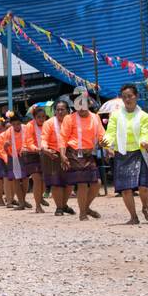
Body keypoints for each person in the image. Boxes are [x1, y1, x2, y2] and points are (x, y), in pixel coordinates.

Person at [104, 83, 148, 225]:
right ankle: (133, 217)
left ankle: (145, 207)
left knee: (144, 186)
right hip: (122, 153)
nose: (127, 99)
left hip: (140, 152)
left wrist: (145, 141)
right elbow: (110, 132)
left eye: (130, 96)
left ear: (136, 96)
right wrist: (107, 145)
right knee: (125, 189)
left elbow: (146, 132)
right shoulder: (115, 115)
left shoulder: (144, 116)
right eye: (124, 97)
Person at [60, 90, 107, 220]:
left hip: (89, 153)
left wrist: (106, 146)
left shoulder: (95, 117)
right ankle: (83, 213)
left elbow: (102, 134)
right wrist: (63, 155)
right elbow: (63, 138)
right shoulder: (69, 118)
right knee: (82, 183)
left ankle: (85, 207)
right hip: (74, 153)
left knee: (96, 183)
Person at [44, 99, 73, 215]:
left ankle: (64, 204)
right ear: (54, 111)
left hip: (70, 154)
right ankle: (59, 208)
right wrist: (44, 148)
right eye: (57, 109)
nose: (60, 112)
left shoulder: (72, 122)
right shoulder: (49, 123)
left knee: (69, 182)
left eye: (63, 109)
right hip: (53, 155)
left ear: (67, 110)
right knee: (56, 182)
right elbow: (44, 139)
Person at [21, 104, 49, 213]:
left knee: (43, 180)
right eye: (39, 117)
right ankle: (38, 206)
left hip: (45, 154)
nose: (41, 119)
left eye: (43, 117)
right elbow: (28, 141)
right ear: (34, 117)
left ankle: (40, 197)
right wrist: (36, 149)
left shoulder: (47, 125)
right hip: (31, 154)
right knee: (37, 179)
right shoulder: (29, 125)